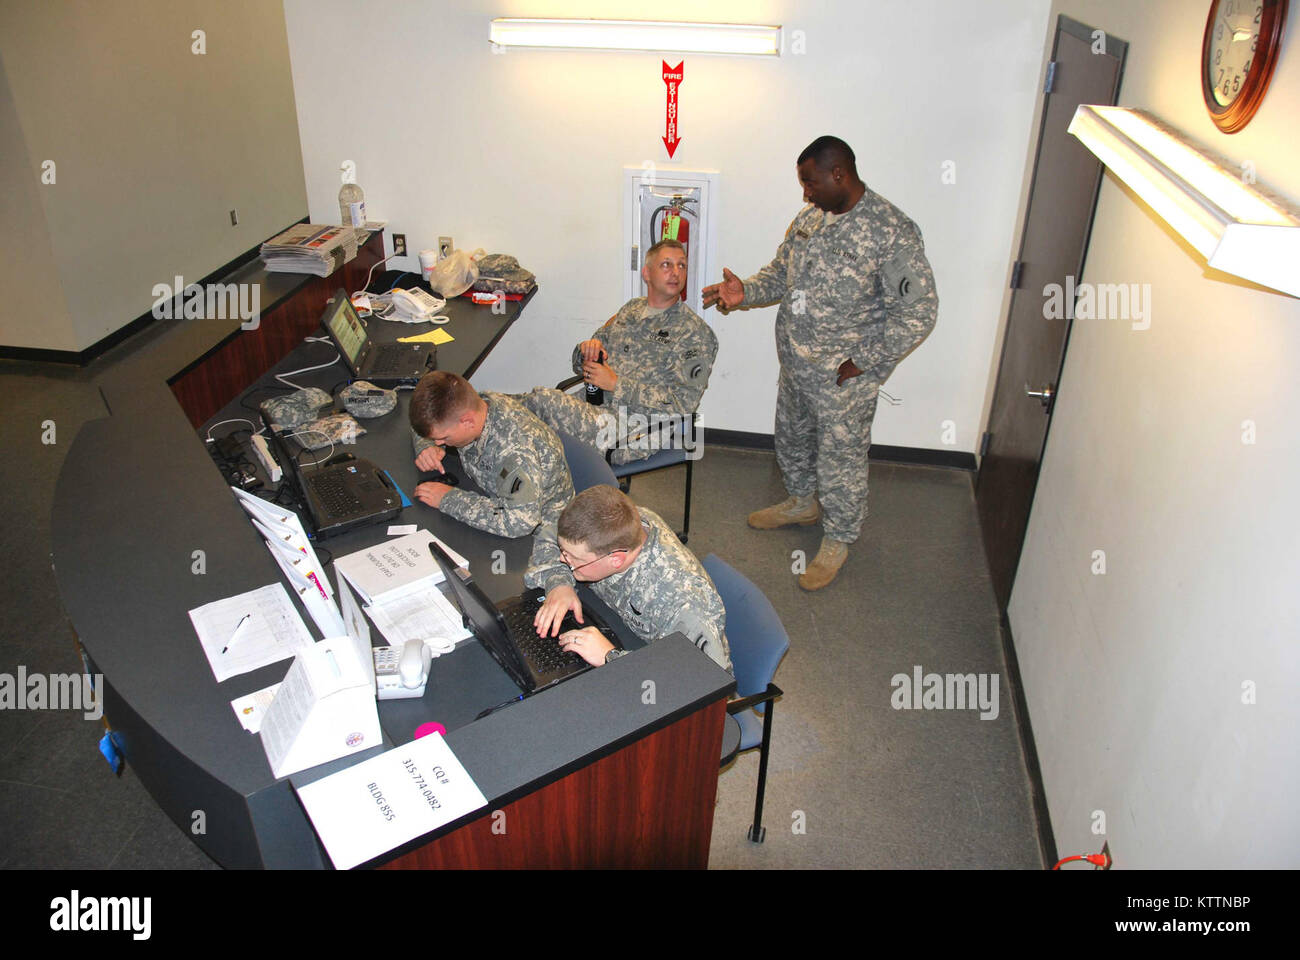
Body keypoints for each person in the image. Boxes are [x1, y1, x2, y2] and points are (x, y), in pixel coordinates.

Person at [702, 135, 938, 591]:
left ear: (839, 175)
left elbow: (919, 312)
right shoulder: (812, 218)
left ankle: (837, 540)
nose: (805, 193)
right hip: (796, 364)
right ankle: (801, 502)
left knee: (841, 461)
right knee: (791, 440)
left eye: (810, 182)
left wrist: (864, 360)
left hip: (843, 379)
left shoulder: (891, 231)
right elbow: (780, 273)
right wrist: (744, 292)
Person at [522, 239, 717, 464]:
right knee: (531, 414)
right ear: (647, 273)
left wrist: (616, 384)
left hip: (637, 427)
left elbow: (684, 403)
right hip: (593, 404)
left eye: (681, 265)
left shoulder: (695, 333)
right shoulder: (630, 310)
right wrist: (586, 351)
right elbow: (586, 360)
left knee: (542, 405)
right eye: (666, 265)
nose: (675, 272)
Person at [523, 485, 731, 672]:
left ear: (616, 559)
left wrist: (610, 656)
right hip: (619, 627)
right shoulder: (613, 526)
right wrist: (559, 583)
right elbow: (548, 536)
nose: (562, 558)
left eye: (573, 558)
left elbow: (703, 679)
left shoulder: (682, 601)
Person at [408, 371, 573, 538]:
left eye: (443, 438)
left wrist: (448, 499)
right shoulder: (476, 403)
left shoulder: (514, 451)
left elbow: (520, 522)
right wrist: (426, 445)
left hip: (539, 534)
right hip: (494, 497)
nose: (439, 443)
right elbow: (427, 418)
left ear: (467, 422)